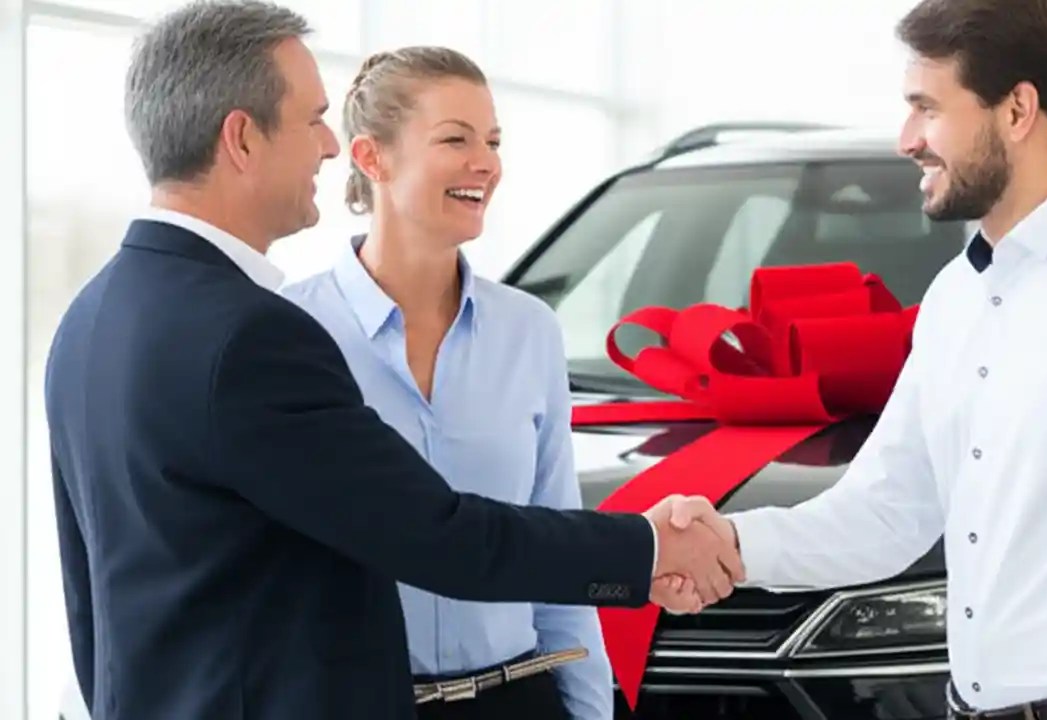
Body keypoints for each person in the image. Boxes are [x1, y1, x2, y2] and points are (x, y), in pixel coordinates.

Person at [44, 3, 738, 720]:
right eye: (312, 117)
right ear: (243, 138)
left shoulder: (91, 318)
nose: (325, 145)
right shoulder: (254, 336)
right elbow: (436, 535)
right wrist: (648, 547)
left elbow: (93, 600)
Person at [660, 0, 1047, 718]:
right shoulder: (957, 298)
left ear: (1017, 111)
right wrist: (730, 541)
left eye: (926, 107)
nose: (906, 139)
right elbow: (888, 513)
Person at [279, 47, 610, 720]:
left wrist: (587, 711)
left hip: (518, 701)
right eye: (455, 139)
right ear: (372, 159)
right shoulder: (287, 331)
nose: (485, 162)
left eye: (491, 141)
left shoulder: (530, 330)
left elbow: (557, 544)